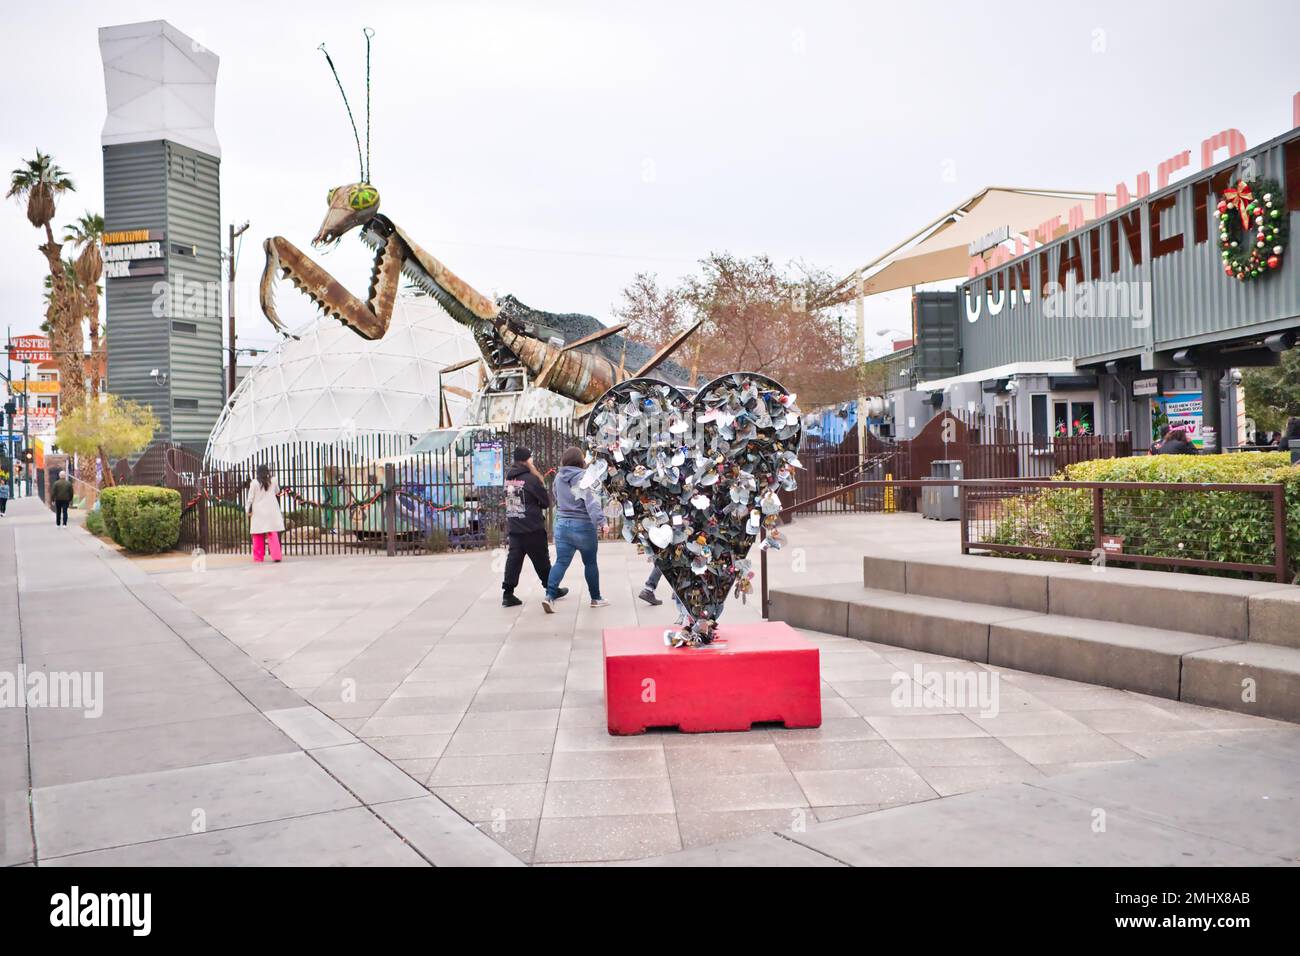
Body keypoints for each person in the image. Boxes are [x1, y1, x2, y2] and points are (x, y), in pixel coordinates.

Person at [543, 446, 608, 612]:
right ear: (580, 461)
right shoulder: (584, 477)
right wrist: (602, 522)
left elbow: (556, 496)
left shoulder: (558, 477)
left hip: (562, 525)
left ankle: (549, 596)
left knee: (561, 562)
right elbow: (591, 502)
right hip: (583, 526)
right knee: (590, 562)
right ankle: (596, 598)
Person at [501, 446, 564, 607]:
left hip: (515, 527)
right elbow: (545, 502)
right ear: (525, 460)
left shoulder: (509, 479)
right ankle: (551, 589)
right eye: (530, 458)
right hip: (532, 527)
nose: (532, 460)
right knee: (542, 560)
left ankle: (508, 594)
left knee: (513, 561)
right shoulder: (531, 479)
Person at [246, 464, 286, 563]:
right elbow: (277, 491)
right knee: (273, 533)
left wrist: (247, 510)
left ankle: (258, 557)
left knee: (258, 535)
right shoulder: (273, 480)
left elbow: (250, 498)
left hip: (258, 511)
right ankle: (276, 556)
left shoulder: (254, 483)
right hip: (271, 510)